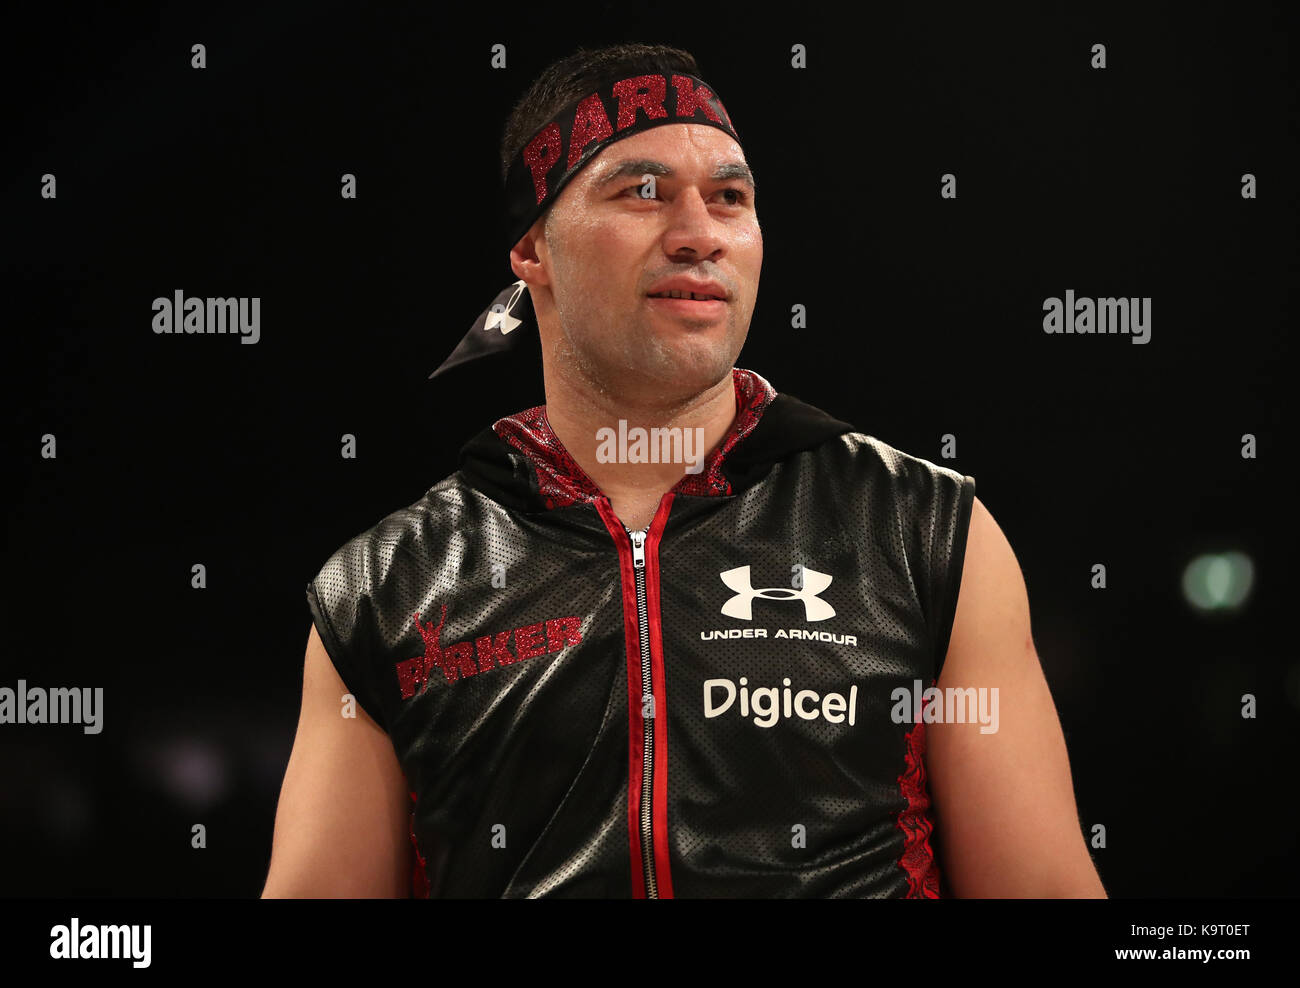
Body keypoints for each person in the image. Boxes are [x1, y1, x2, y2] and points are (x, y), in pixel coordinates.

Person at [261, 42, 1106, 898]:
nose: (701, 235)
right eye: (642, 192)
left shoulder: (923, 528)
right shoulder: (385, 587)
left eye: (729, 198)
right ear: (532, 251)